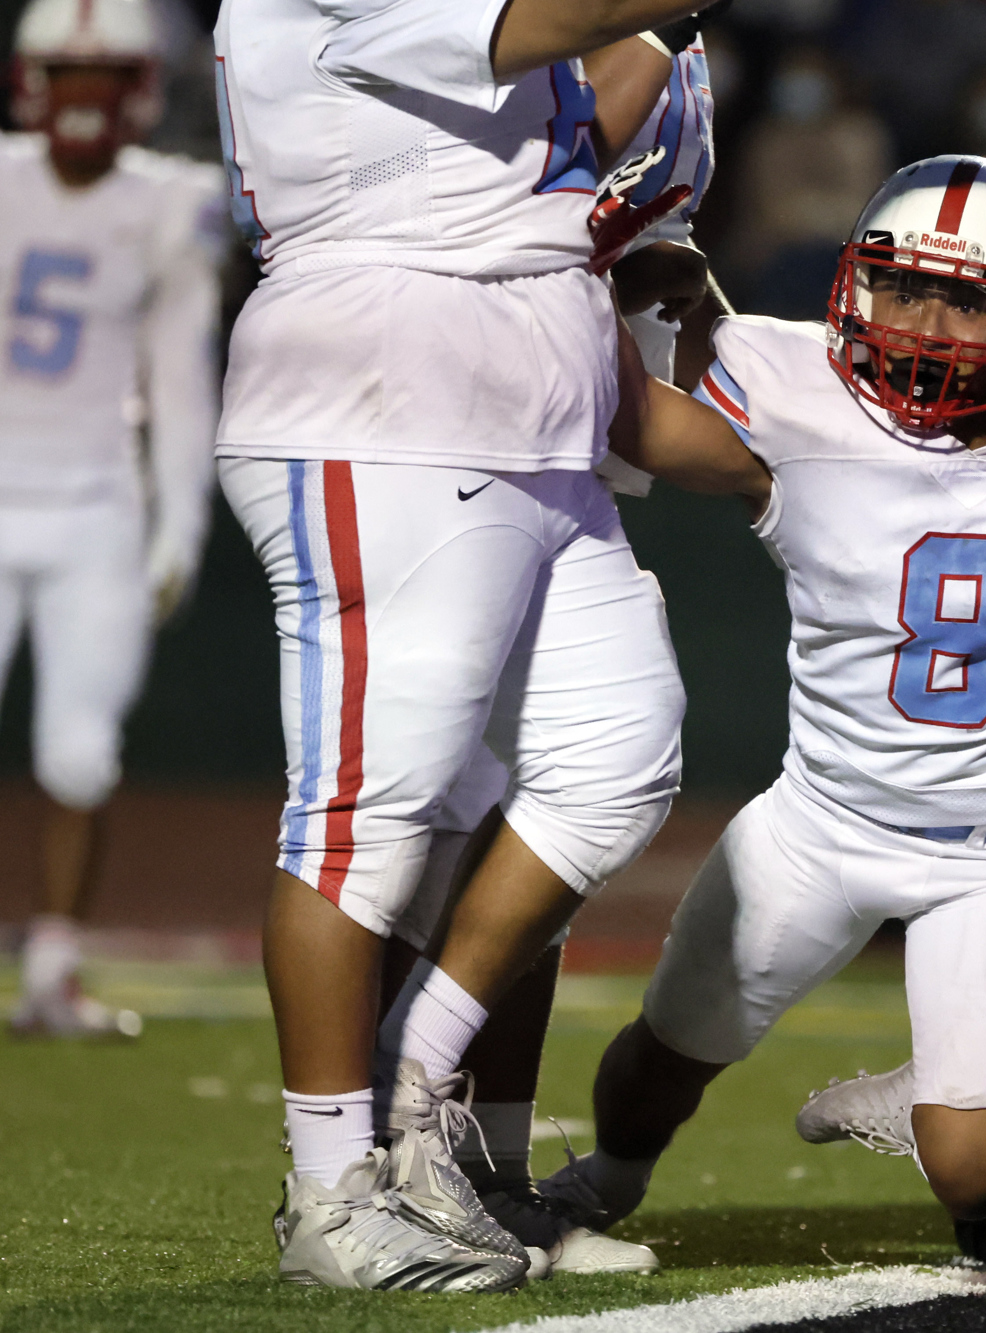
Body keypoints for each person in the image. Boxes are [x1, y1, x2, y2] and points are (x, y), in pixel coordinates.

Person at [534, 155, 986, 1239]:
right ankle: (611, 1177)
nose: (924, 320)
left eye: (970, 299)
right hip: (820, 821)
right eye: (902, 283)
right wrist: (612, 287)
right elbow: (624, 415)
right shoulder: (789, 382)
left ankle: (913, 1102)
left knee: (977, 1176)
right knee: (652, 1073)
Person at [212, 0, 726, 1291]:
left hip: (528, 404)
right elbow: (522, 33)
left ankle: (430, 1102)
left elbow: (543, 139)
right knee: (368, 820)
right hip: (383, 393)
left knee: (615, 753)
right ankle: (334, 1196)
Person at [378, 15, 727, 1278]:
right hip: (451, 421)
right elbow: (494, 185)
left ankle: (482, 1167)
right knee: (445, 820)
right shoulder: (543, 22)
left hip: (559, 412)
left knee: (547, 810)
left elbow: (572, 214)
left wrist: (638, 279)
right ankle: (379, 1156)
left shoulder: (668, 44)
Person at [2, 0, 223, 1040]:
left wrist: (179, 521)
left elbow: (181, 381)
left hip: (95, 504)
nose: (83, 103)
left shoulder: (171, 202)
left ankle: (51, 968)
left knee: (81, 756)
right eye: (69, 80)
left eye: (104, 81)